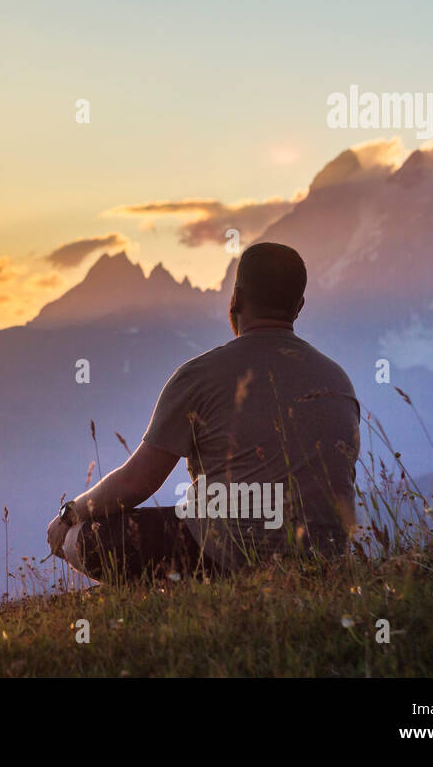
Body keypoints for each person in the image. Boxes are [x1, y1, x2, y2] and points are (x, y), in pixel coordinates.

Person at [45, 242, 360, 582]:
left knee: (81, 539)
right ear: (298, 307)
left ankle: (167, 594)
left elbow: (137, 482)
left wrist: (69, 514)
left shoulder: (199, 376)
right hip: (323, 556)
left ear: (236, 298)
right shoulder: (338, 380)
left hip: (228, 555)